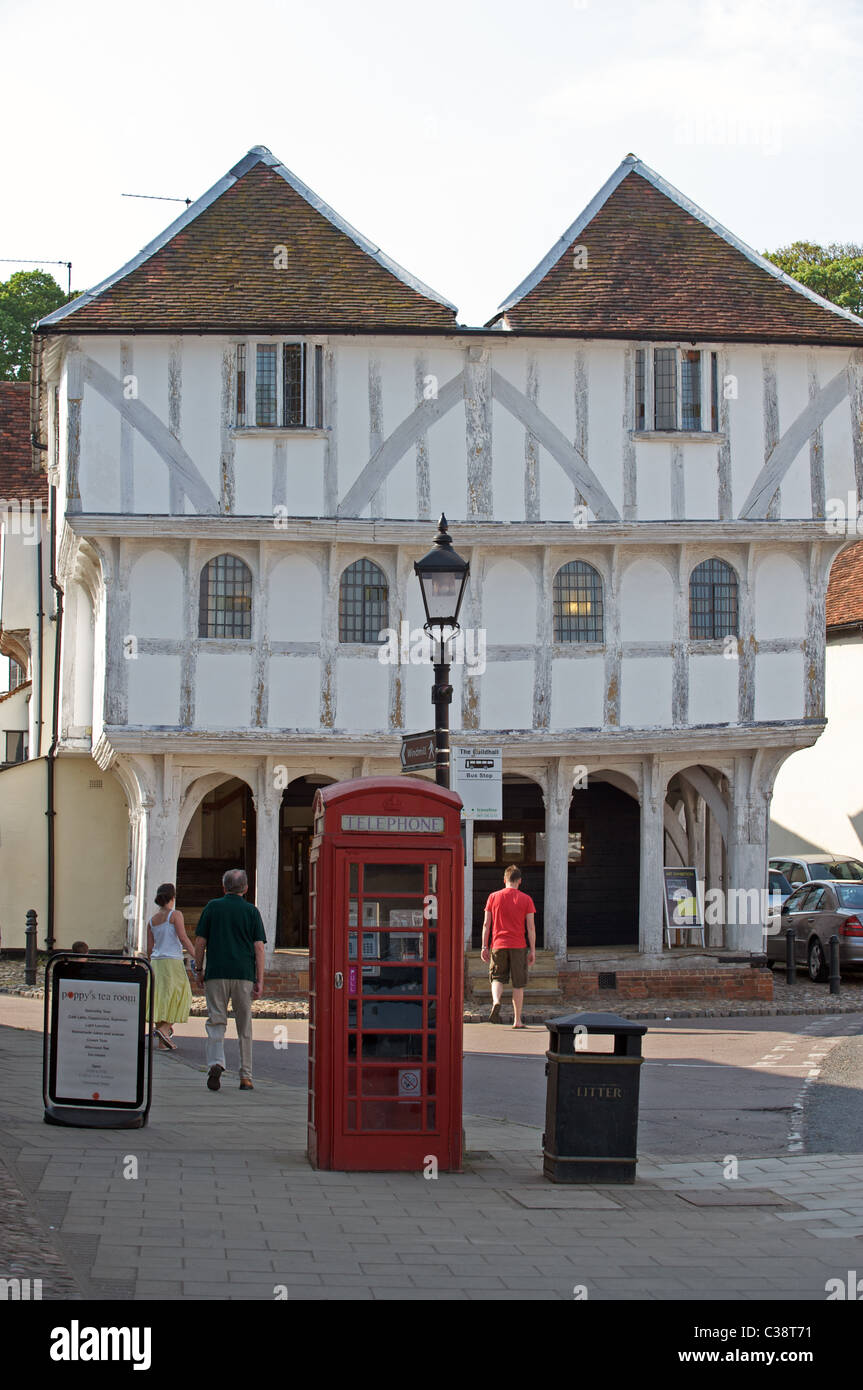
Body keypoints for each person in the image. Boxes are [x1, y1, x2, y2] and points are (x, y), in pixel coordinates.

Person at [193, 867, 266, 1091]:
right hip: (243, 974)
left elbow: (200, 942)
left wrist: (198, 969)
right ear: (245, 888)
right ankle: (246, 1076)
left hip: (216, 972)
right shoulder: (251, 911)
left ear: (224, 887)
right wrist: (259, 979)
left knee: (216, 1021)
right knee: (244, 1026)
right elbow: (259, 948)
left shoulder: (212, 907)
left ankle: (216, 1062)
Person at [480, 865, 536, 1029]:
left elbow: (486, 924)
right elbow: (531, 928)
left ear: (504, 880)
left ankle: (496, 1001)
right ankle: (517, 1020)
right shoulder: (526, 899)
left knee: (497, 977)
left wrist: (484, 946)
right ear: (519, 881)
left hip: (498, 944)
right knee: (518, 984)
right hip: (518, 945)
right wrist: (532, 950)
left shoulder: (493, 897)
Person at [146, 884, 195, 1050]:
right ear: (172, 898)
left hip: (156, 963)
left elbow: (149, 949)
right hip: (172, 962)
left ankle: (162, 1042)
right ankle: (164, 1030)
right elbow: (183, 938)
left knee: (160, 999)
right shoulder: (175, 915)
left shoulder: (152, 921)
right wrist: (197, 955)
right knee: (182, 996)